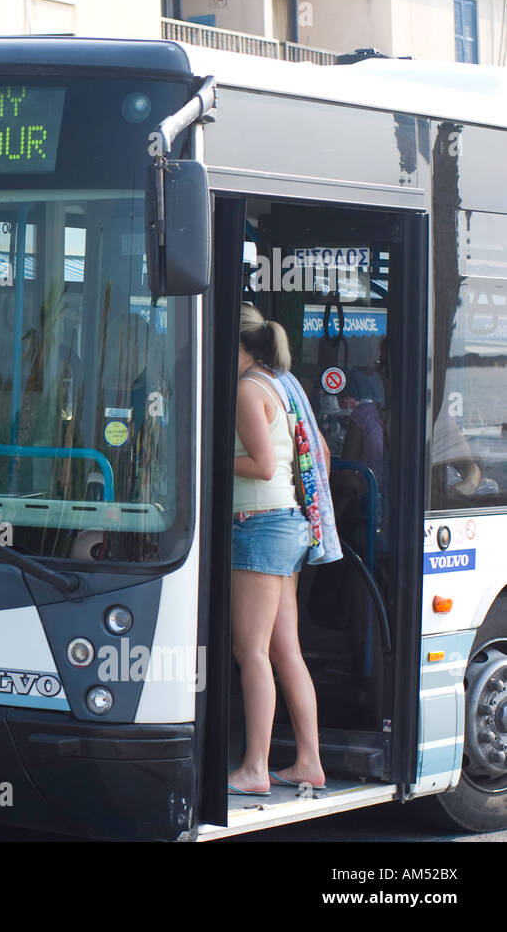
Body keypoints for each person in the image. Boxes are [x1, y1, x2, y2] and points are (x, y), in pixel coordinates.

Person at [229, 303, 326, 795]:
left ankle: (254, 768)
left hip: (260, 526)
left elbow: (264, 466)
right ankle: (308, 761)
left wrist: (209, 456)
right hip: (287, 525)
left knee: (250, 651)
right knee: (284, 649)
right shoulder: (282, 385)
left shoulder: (248, 389)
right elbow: (320, 454)